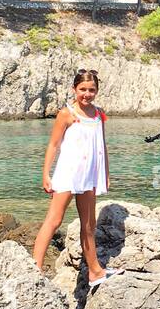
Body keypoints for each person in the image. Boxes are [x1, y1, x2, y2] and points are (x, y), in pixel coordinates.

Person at [32, 69, 116, 285]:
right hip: (69, 173)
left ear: (97, 91)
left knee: (89, 224)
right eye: (82, 89)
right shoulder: (66, 114)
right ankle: (34, 268)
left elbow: (102, 145)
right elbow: (53, 145)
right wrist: (45, 174)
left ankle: (95, 272)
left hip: (90, 175)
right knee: (54, 220)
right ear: (74, 89)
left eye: (91, 90)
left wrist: (105, 173)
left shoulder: (99, 115)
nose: (87, 94)